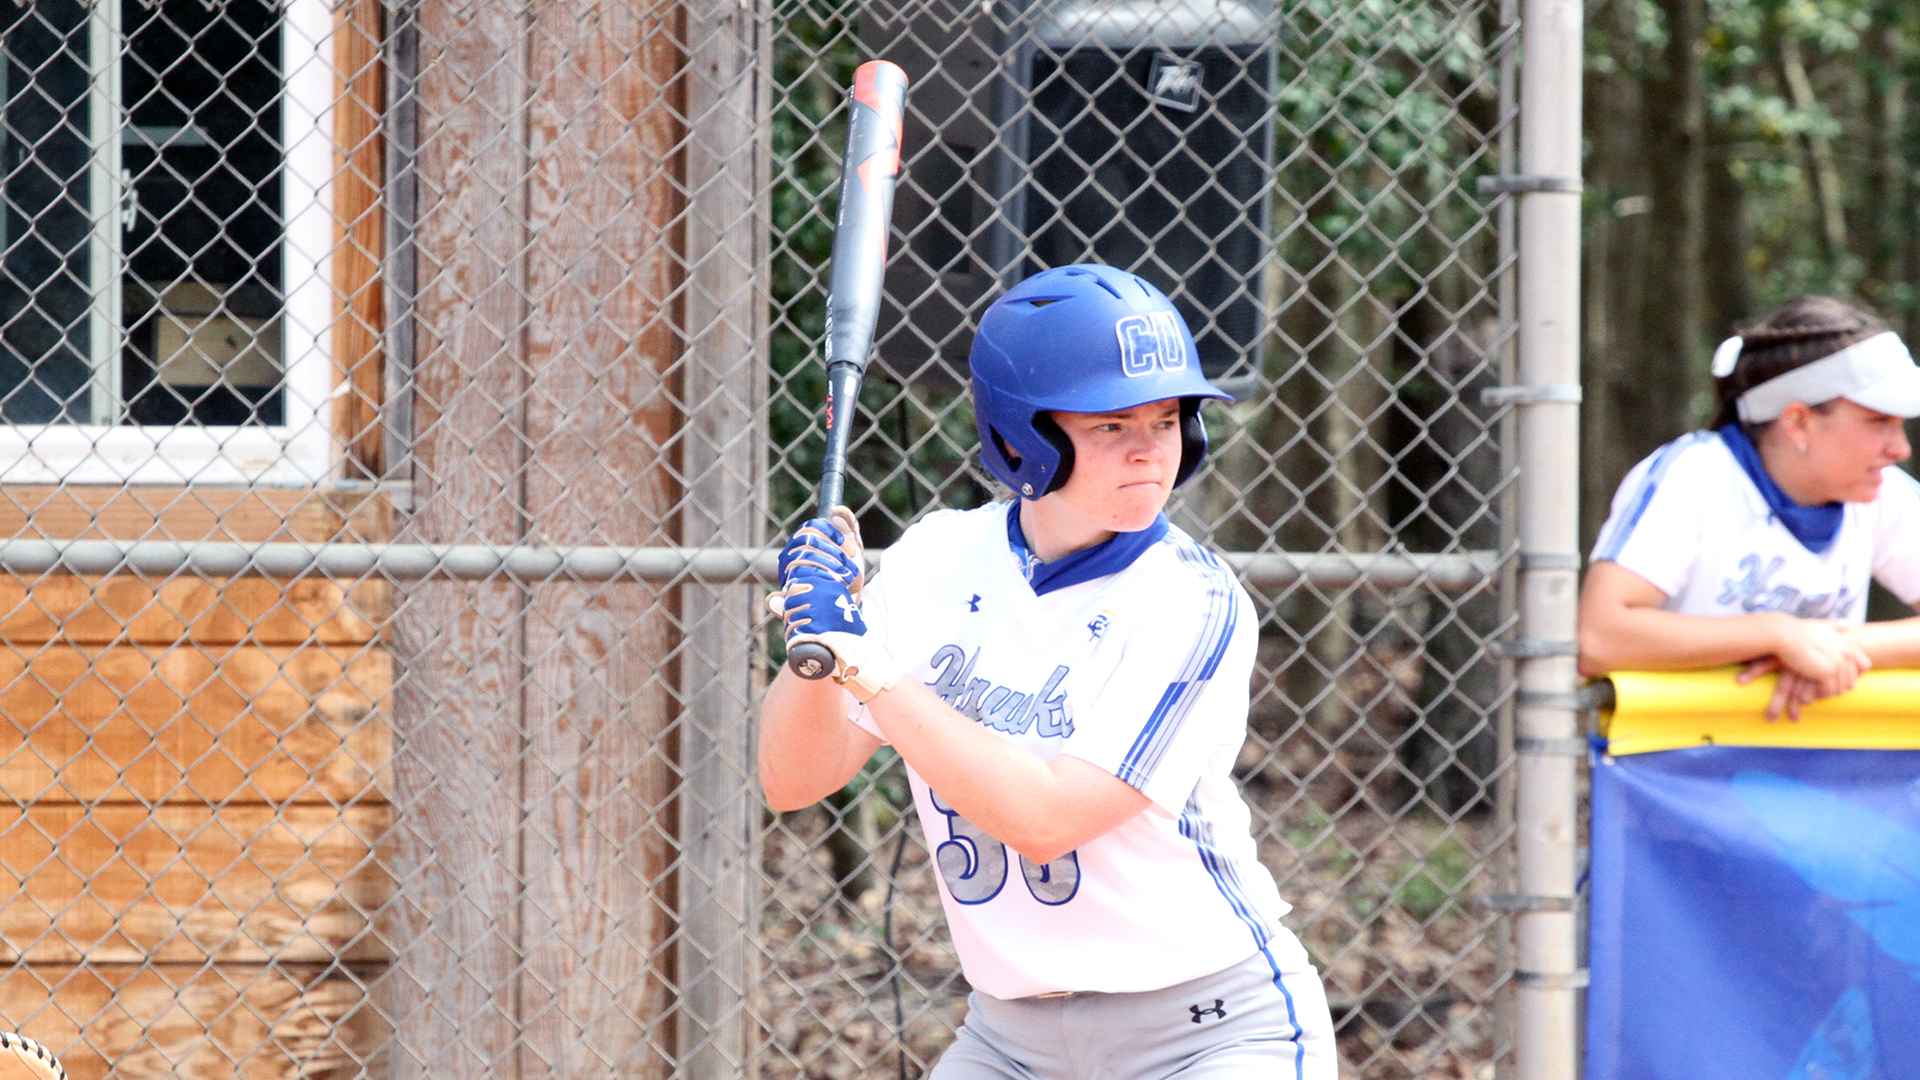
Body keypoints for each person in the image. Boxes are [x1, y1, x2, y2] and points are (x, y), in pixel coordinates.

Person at [759, 264, 1336, 1079]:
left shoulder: (1191, 600)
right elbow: (792, 778)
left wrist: (871, 669)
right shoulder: (936, 559)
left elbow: (1048, 818)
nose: (1149, 451)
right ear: (1021, 436)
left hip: (1210, 1033)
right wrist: (822, 653)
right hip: (1011, 1043)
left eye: (1167, 420)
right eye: (1111, 426)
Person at [1578, 295, 1920, 719]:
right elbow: (1599, 637)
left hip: (1821, 769)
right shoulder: (1696, 475)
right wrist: (1775, 635)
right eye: (1879, 422)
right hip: (1675, 768)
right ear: (1798, 422)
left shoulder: (1882, 492)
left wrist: (1843, 646)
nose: (1900, 448)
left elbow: (1821, 647)